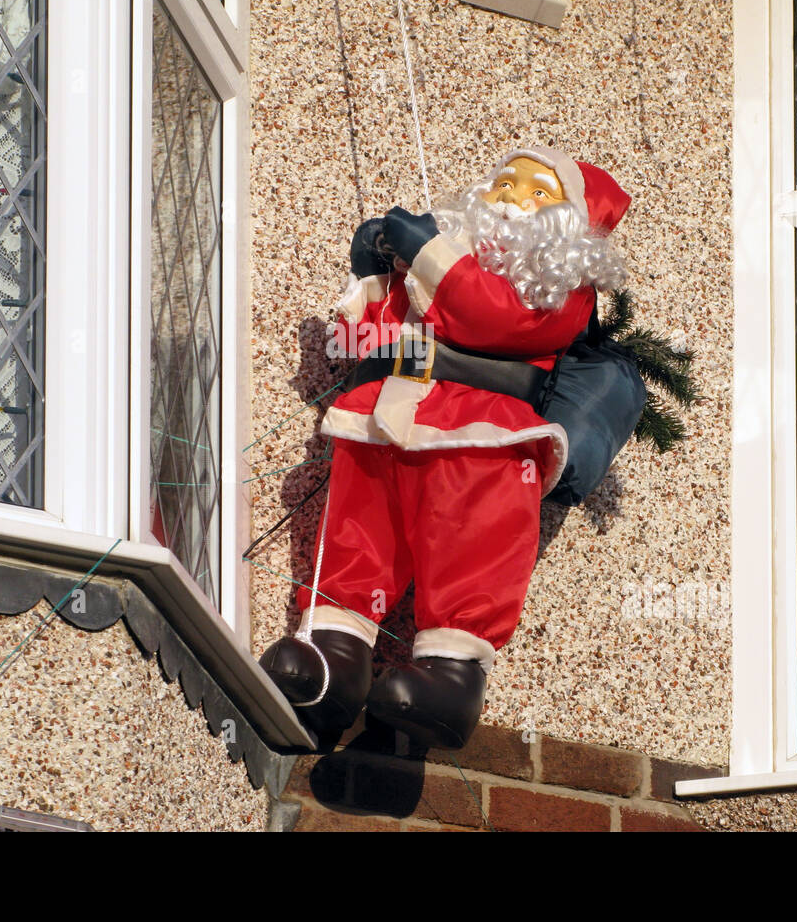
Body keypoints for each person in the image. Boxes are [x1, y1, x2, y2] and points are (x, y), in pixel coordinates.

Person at [260, 146, 629, 749]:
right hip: (390, 413)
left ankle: (450, 675)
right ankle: (335, 650)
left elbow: (491, 318)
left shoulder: (560, 285)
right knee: (360, 526)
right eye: (505, 181)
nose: (512, 197)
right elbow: (366, 337)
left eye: (538, 192)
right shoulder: (440, 263)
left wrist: (426, 252)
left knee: (470, 540)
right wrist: (376, 274)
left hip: (483, 431)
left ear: (569, 223)